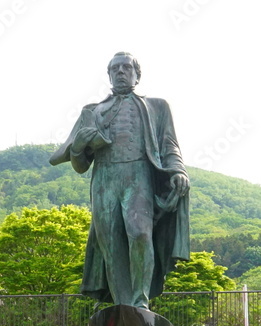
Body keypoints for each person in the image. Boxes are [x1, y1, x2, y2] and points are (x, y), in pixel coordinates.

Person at [50, 52, 190, 309]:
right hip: (104, 178)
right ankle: (123, 304)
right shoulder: (92, 111)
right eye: (115, 68)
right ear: (109, 74)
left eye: (127, 67)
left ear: (138, 74)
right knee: (110, 244)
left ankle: (140, 301)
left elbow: (170, 145)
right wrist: (79, 147)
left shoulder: (158, 106)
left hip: (139, 176)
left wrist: (178, 170)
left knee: (139, 234)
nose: (121, 72)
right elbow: (80, 166)